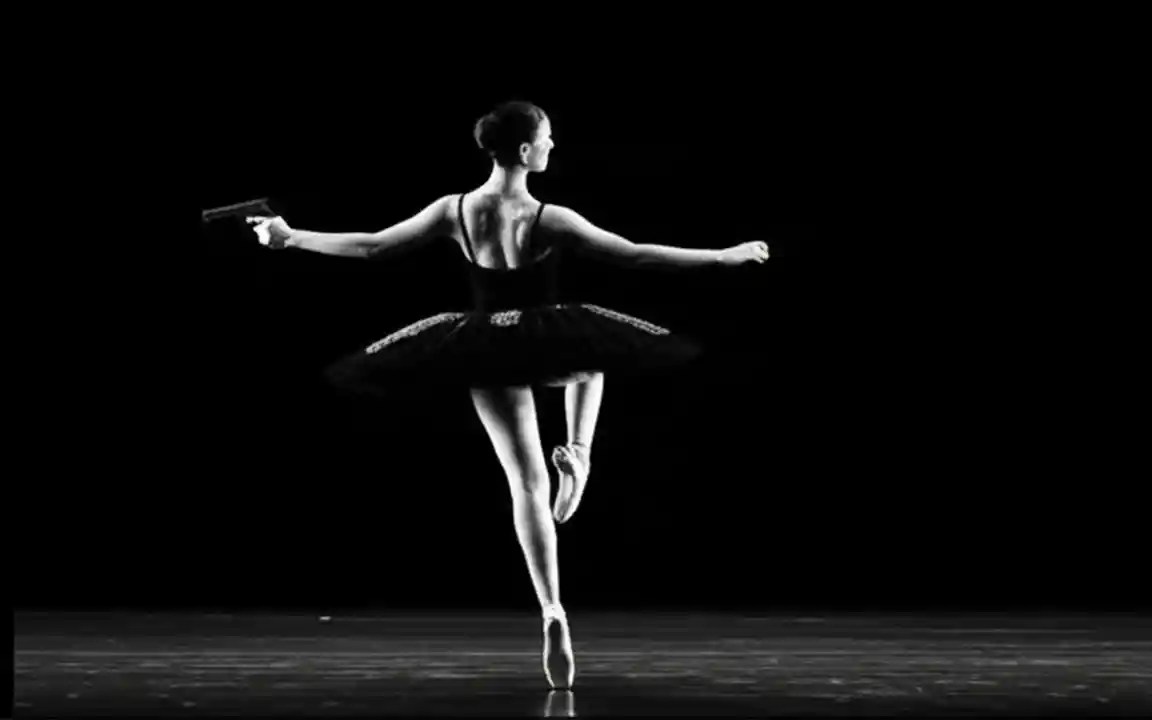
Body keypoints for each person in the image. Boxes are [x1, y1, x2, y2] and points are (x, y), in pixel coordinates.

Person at [247, 100, 769, 689]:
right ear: (525, 150)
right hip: (549, 335)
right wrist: (722, 256)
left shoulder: (456, 209)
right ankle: (580, 451)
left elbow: (372, 246)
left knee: (525, 482)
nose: (553, 146)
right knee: (594, 356)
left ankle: (552, 610)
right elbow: (635, 253)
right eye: (548, 138)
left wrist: (289, 238)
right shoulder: (550, 216)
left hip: (484, 344)